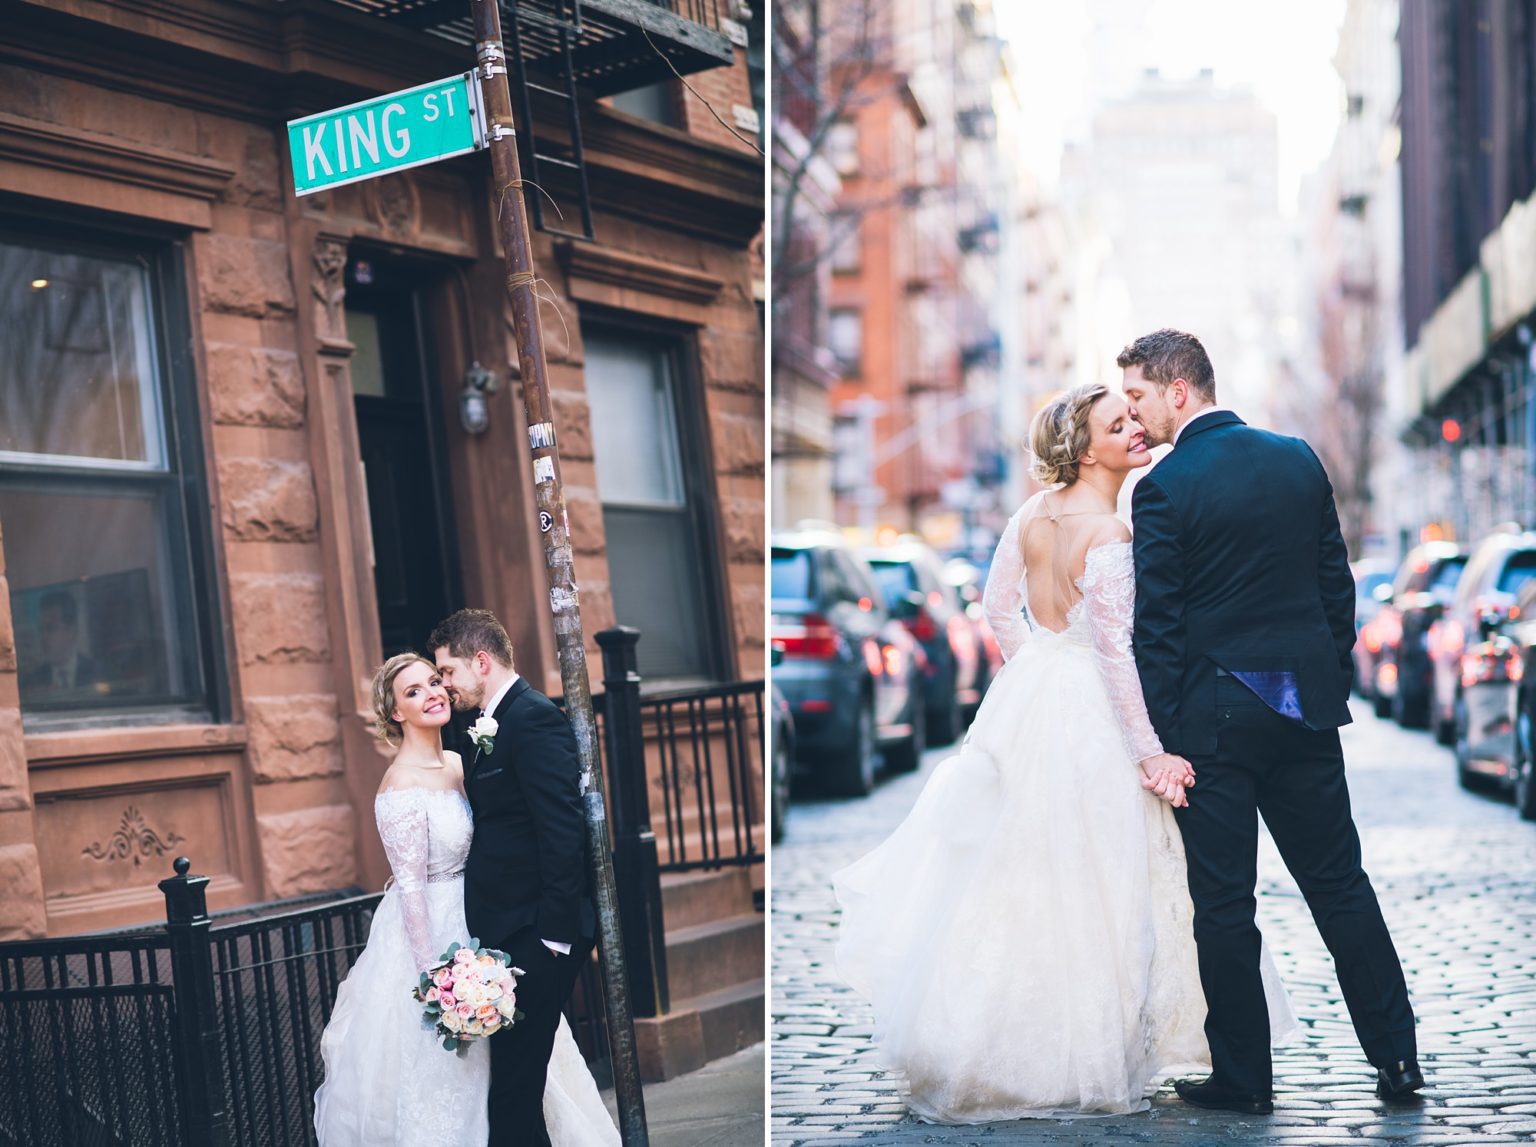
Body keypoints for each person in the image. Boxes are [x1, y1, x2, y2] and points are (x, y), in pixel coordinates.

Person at [833, 384, 1297, 1124]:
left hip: (1033, 698)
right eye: (1119, 426)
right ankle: (1085, 1052)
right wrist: (1151, 753)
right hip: (1093, 717)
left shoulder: (1031, 515)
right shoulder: (1110, 537)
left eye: (1133, 418)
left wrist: (1038, 664)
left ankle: (998, 1042)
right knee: (1101, 880)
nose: (1136, 431)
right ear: (1087, 450)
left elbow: (995, 609)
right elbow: (1118, 658)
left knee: (1020, 878)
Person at [1119, 328, 1421, 1114]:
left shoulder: (1163, 486)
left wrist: (1162, 741)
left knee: (1225, 906)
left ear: (1178, 390)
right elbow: (1336, 585)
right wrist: (1323, 673)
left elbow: (1157, 626)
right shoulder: (1297, 458)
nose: (1136, 415)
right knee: (1341, 886)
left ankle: (1246, 1080)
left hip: (1213, 724)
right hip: (1304, 711)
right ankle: (1397, 1060)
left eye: (1141, 397)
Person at [312, 651, 617, 1146]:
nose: (432, 694)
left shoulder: (460, 760)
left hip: (487, 925)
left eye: (435, 681)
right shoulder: (400, 784)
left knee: (519, 1066)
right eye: (413, 692)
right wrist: (437, 980)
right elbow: (410, 889)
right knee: (452, 1074)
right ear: (395, 713)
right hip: (435, 933)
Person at [430, 609, 607, 1147]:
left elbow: (561, 828)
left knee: (513, 1090)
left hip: (537, 932)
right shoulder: (489, 722)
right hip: (509, 932)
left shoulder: (531, 718)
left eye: (449, 672)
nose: (445, 685)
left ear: (480, 661)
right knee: (517, 1089)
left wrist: (553, 938)